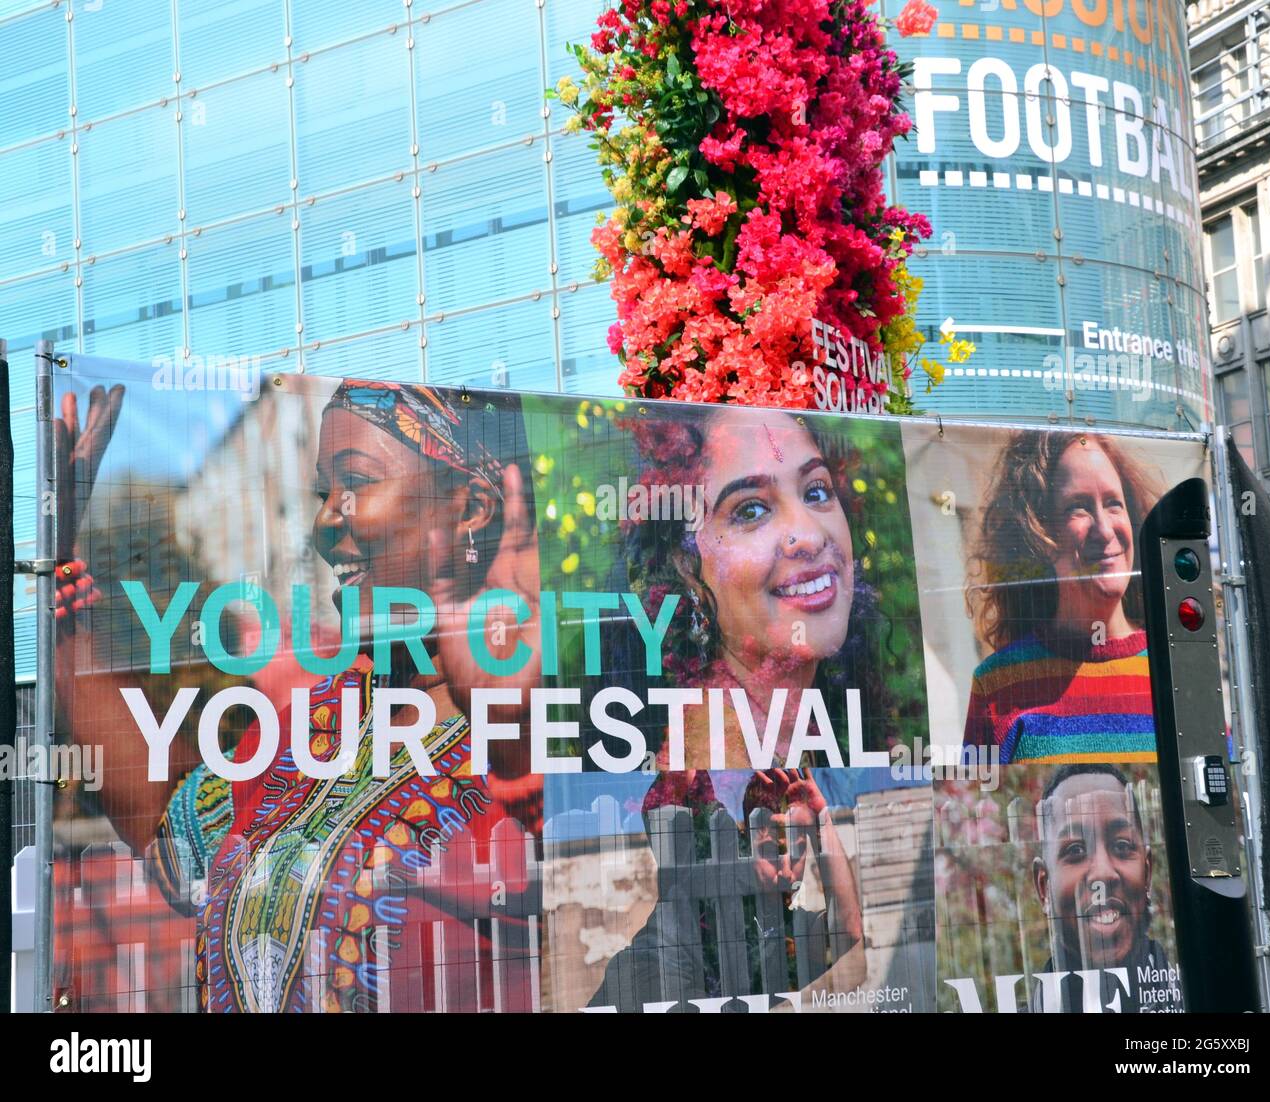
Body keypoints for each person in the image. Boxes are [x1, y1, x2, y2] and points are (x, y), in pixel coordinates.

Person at [54, 379, 544, 1012]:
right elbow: (167, 829)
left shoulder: (550, 718)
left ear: (473, 508)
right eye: (322, 493)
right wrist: (58, 575)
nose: (323, 521)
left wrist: (514, 723)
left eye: (355, 484)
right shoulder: (312, 722)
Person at [625, 405, 886, 780]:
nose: (809, 537)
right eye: (750, 511)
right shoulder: (712, 769)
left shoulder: (810, 725)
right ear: (688, 565)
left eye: (815, 491)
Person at [587, 768, 864, 1012]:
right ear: (746, 842)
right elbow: (681, 776)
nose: (786, 866)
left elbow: (848, 931)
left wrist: (822, 822)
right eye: (773, 848)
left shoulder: (784, 932)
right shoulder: (707, 866)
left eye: (799, 850)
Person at [962, 432, 1162, 765]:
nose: (1105, 529)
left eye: (1114, 503)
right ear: (1038, 533)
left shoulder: (1176, 668)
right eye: (1078, 508)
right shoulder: (998, 686)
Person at [1028, 764, 1183, 1013]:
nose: (1103, 873)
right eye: (1075, 850)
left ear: (1147, 873)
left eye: (1122, 846)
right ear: (1044, 886)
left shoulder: (1201, 999)